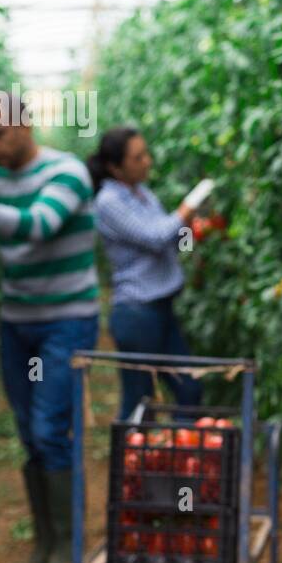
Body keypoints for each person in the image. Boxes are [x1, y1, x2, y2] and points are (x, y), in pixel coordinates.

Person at [0, 91, 100, 563]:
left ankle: (69, 553)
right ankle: (45, 547)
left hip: (66, 320)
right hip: (17, 320)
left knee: (52, 431)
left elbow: (38, 226)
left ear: (25, 126)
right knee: (29, 433)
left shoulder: (67, 173)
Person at [85, 126, 213, 420]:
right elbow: (155, 236)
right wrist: (189, 206)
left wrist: (191, 231)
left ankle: (180, 456)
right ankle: (131, 463)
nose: (148, 161)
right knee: (140, 403)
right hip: (137, 313)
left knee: (189, 389)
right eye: (138, 157)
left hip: (160, 306)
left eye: (146, 154)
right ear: (115, 168)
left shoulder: (141, 193)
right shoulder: (109, 202)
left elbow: (167, 238)